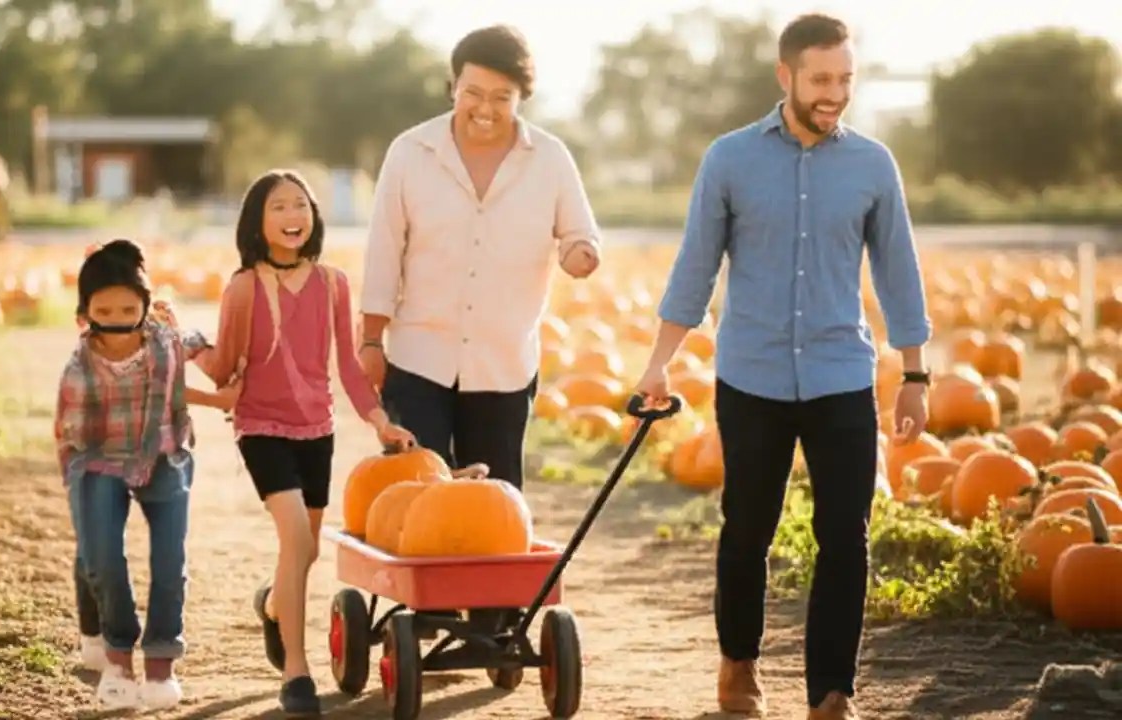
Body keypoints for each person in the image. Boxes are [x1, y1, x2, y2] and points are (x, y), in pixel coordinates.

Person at [635, 14, 931, 720]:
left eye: (845, 80)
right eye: (821, 79)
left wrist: (915, 374)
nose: (835, 94)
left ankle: (832, 692)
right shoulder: (730, 159)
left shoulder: (873, 165)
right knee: (748, 528)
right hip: (753, 376)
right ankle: (738, 664)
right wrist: (657, 366)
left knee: (845, 537)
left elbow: (899, 271)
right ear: (786, 76)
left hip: (841, 375)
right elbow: (694, 269)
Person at [197, 170, 415, 717]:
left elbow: (346, 363)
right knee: (295, 534)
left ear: (313, 216)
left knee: (308, 549)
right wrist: (187, 347)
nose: (292, 216)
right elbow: (222, 367)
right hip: (261, 428)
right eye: (278, 207)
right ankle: (297, 671)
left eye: (301, 205)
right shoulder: (243, 287)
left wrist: (379, 420)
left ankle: (272, 605)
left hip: (317, 430)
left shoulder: (334, 284)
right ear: (257, 221)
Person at [359, 24, 602, 492]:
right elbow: (384, 252)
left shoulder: (550, 159)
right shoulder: (411, 153)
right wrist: (371, 341)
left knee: (493, 501)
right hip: (417, 360)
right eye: (473, 93)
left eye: (502, 97)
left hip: (503, 366)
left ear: (520, 98)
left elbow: (579, 236)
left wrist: (580, 254)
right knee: (414, 494)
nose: (486, 109)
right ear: (453, 88)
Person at [56, 239, 240, 711]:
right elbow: (71, 436)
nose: (117, 318)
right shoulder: (80, 368)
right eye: (104, 309)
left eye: (127, 307)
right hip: (99, 457)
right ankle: (118, 658)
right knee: (100, 559)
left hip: (163, 455)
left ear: (145, 306)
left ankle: (161, 662)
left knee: (168, 563)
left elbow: (192, 362)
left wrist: (226, 379)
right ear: (84, 314)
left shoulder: (166, 338)